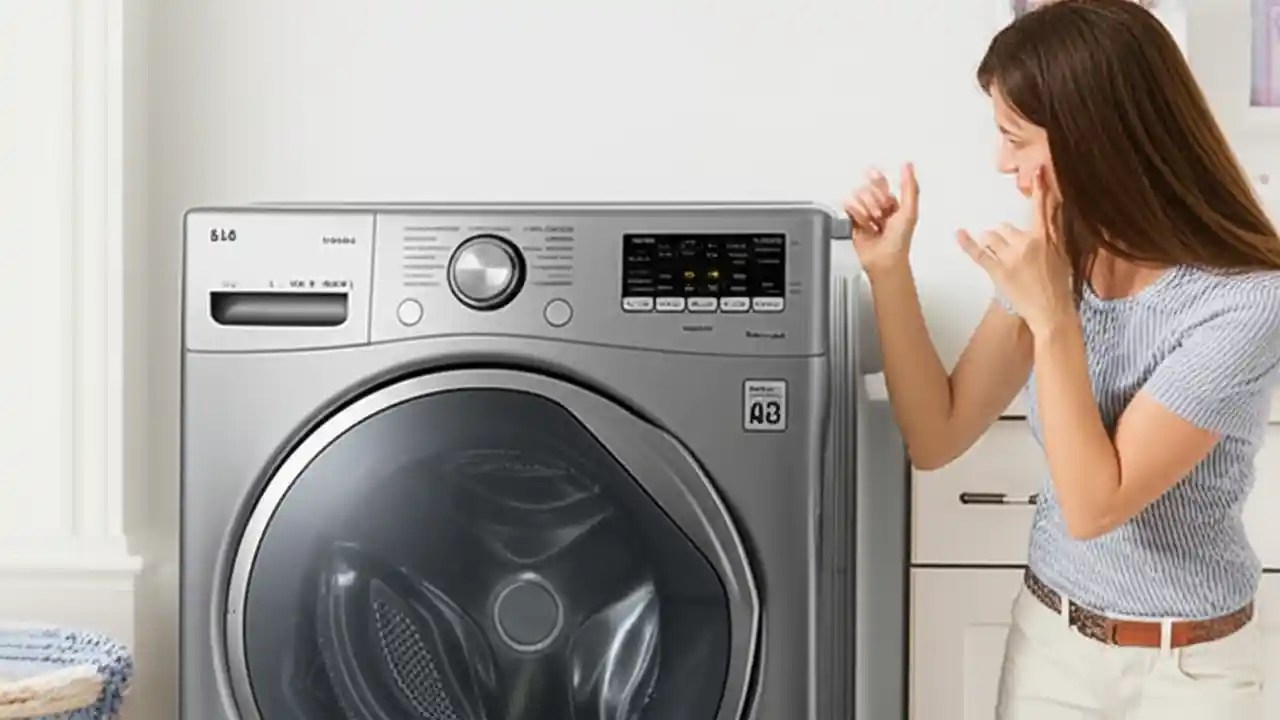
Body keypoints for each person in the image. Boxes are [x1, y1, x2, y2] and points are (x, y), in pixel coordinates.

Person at [844, 1, 1280, 718]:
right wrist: (888, 270)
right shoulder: (1063, 251)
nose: (1001, 162)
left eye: (1015, 138)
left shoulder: (1244, 301)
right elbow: (936, 435)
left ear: (1092, 136)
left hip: (1192, 674)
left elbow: (1094, 505)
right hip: (1053, 650)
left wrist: (1052, 317)